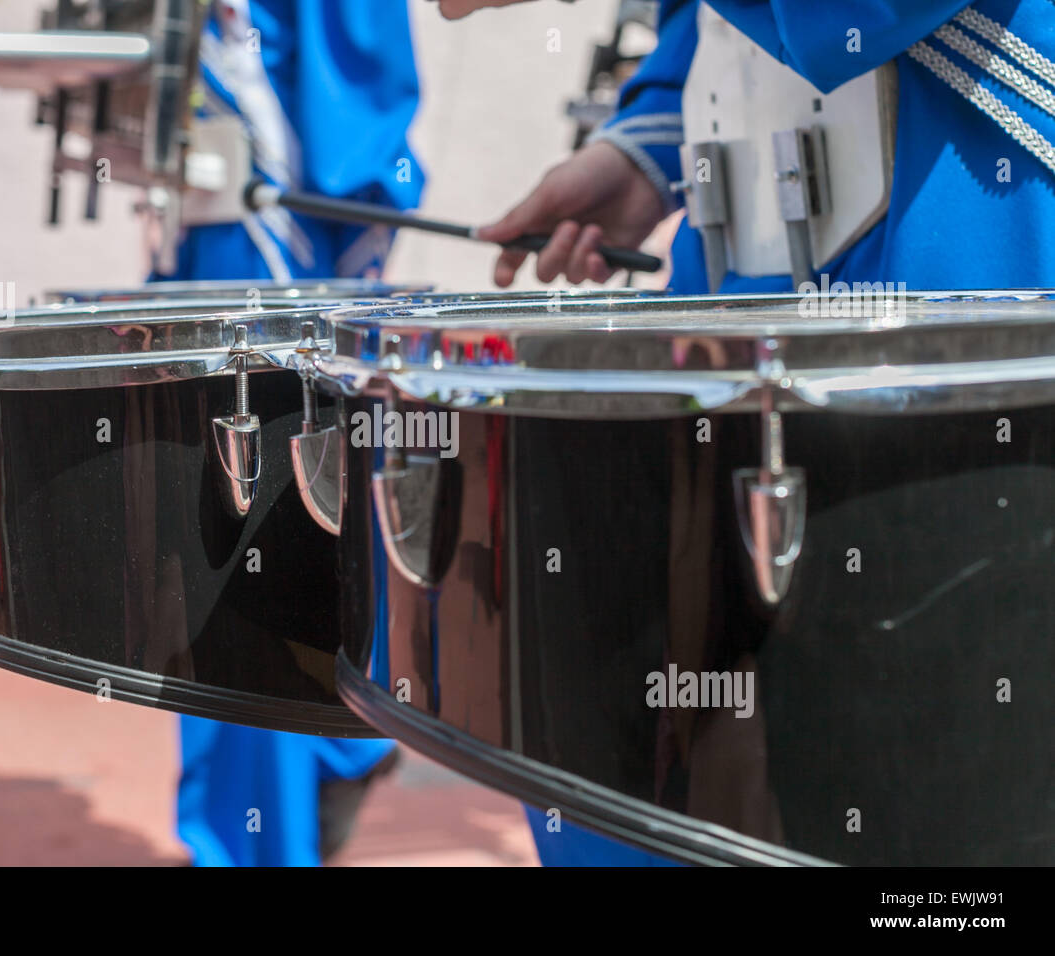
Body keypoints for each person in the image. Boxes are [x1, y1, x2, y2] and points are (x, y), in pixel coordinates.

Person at [434, 0, 1055, 865]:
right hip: (732, 259)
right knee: (650, 786)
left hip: (969, 213)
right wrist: (653, 149)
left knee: (940, 811)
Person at [155, 0, 423, 866]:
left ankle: (264, 832)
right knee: (219, 556)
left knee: (242, 558)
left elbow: (360, 107)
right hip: (207, 243)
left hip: (272, 247)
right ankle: (341, 748)